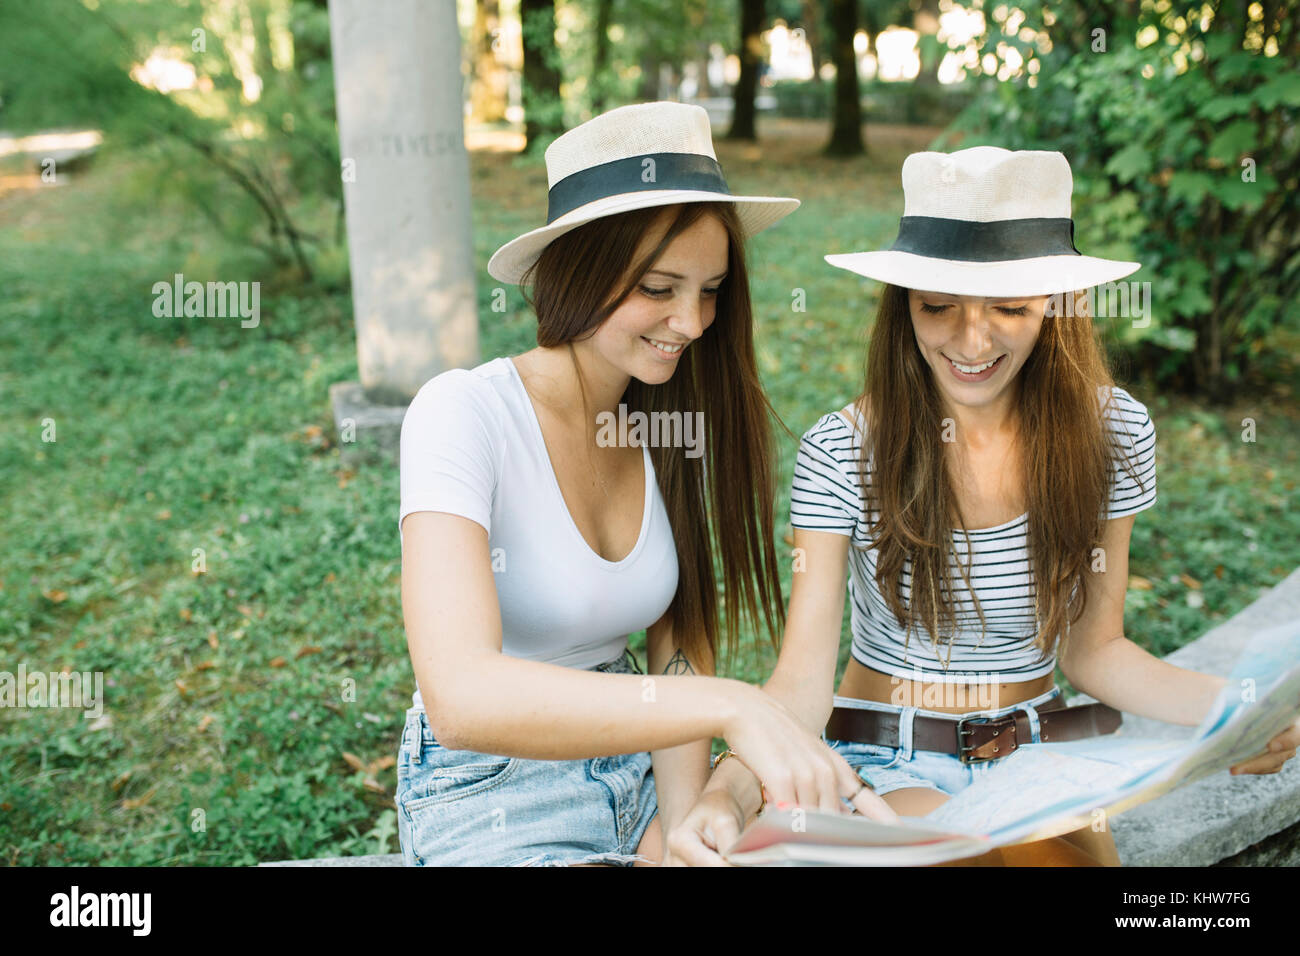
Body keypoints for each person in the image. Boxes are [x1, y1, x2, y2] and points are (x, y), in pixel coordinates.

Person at [668, 145, 1300, 866]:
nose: (971, 341)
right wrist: (728, 792)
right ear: (903, 306)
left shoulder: (1114, 432)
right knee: (961, 860)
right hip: (889, 759)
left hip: (1042, 759)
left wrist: (1239, 710)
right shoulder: (843, 450)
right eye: (938, 307)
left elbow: (1097, 652)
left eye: (1009, 307)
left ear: (1058, 307)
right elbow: (803, 682)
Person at [395, 102, 894, 867]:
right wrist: (733, 703)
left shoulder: (663, 421)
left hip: (644, 765)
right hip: (495, 791)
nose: (692, 323)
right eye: (659, 288)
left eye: (711, 289)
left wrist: (687, 821)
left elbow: (676, 651)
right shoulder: (464, 413)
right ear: (580, 271)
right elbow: (461, 696)